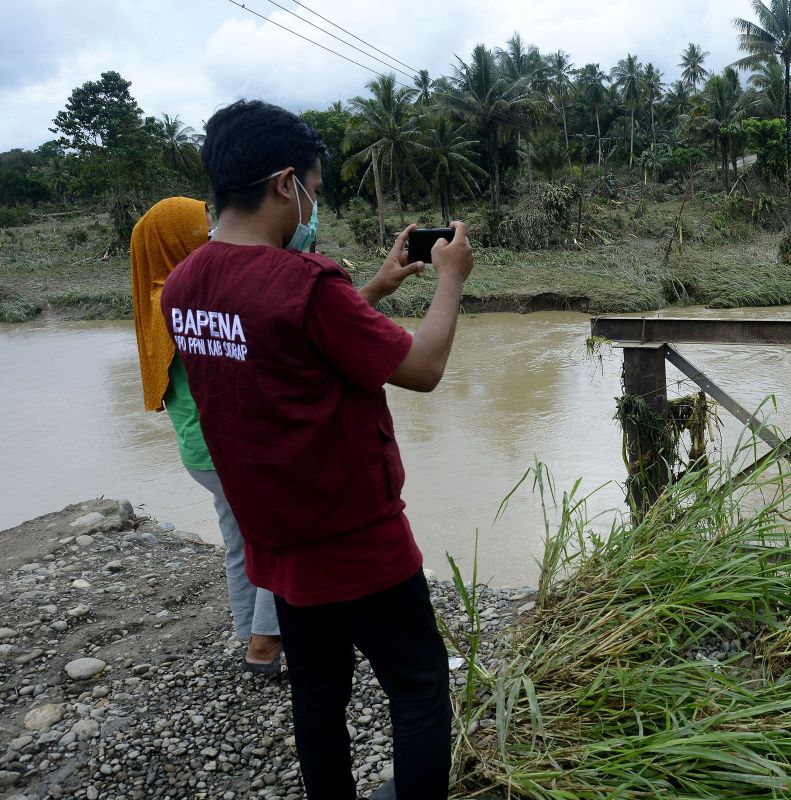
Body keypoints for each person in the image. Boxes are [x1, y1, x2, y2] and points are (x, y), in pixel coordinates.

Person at [162, 99, 474, 799]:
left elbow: (280, 344)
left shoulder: (183, 287)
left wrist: (377, 288)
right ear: (284, 185)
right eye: (315, 188)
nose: (313, 204)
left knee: (318, 691)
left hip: (280, 537)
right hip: (356, 535)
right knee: (419, 688)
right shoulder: (306, 283)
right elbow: (419, 369)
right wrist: (449, 280)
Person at [130, 197, 283, 674]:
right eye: (204, 228)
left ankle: (248, 633)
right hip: (227, 450)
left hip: (198, 452)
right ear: (178, 240)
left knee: (240, 540)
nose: (215, 234)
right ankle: (264, 644)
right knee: (279, 540)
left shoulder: (158, 296)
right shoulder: (185, 297)